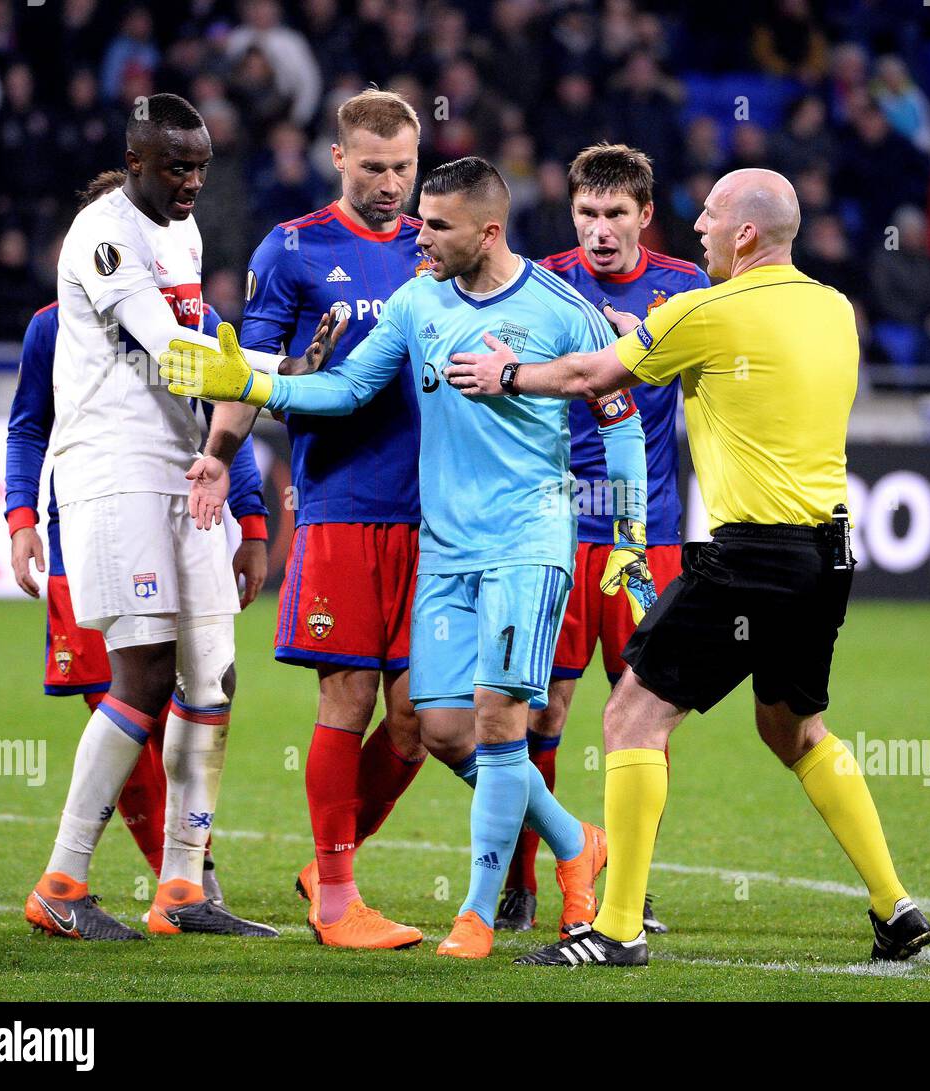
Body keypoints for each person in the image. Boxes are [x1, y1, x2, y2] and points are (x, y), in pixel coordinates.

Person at [161, 156, 649, 961]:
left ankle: (477, 915)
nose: (417, 235)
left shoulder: (563, 309)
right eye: (419, 218)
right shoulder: (420, 302)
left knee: (496, 718)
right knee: (445, 729)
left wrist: (628, 535)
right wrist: (253, 382)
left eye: (437, 225)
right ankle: (577, 843)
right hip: (445, 548)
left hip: (528, 543)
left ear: (488, 231)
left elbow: (622, 419)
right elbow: (347, 389)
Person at [445, 167, 930, 968]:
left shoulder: (704, 310)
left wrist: (507, 374)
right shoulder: (835, 308)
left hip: (751, 554)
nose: (696, 225)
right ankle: (896, 905)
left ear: (744, 233)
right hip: (829, 551)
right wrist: (632, 327)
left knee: (631, 716)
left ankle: (619, 927)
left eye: (707, 215)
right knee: (794, 727)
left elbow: (589, 377)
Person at [24, 93, 335, 942]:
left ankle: (183, 886)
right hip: (115, 471)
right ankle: (62, 878)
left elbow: (200, 362)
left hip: (179, 469)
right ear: (137, 162)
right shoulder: (105, 231)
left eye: (201, 163)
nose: (193, 178)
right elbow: (172, 346)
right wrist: (282, 373)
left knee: (212, 678)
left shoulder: (185, 232)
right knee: (145, 674)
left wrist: (268, 374)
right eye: (176, 165)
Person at [189, 88, 429, 951]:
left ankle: (332, 865)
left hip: (435, 513)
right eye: (374, 167)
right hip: (341, 508)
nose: (392, 183)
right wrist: (222, 455)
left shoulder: (433, 246)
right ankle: (338, 897)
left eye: (404, 166)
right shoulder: (292, 249)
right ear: (338, 159)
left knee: (420, 721)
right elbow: (249, 370)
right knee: (349, 695)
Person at [5, 174, 269, 900]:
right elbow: (29, 425)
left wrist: (253, 516)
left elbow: (224, 417)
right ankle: (77, 875)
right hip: (97, 519)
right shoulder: (54, 325)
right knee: (125, 689)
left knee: (204, 677)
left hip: (182, 508)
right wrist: (22, 517)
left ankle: (187, 877)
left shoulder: (194, 312)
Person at [496, 143, 708, 935]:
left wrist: (642, 344)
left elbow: (715, 385)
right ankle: (523, 880)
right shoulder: (543, 281)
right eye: (587, 212)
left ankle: (629, 888)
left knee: (641, 712)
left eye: (616, 214)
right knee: (538, 711)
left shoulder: (685, 288)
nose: (600, 229)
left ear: (645, 216)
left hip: (642, 537)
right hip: (552, 528)